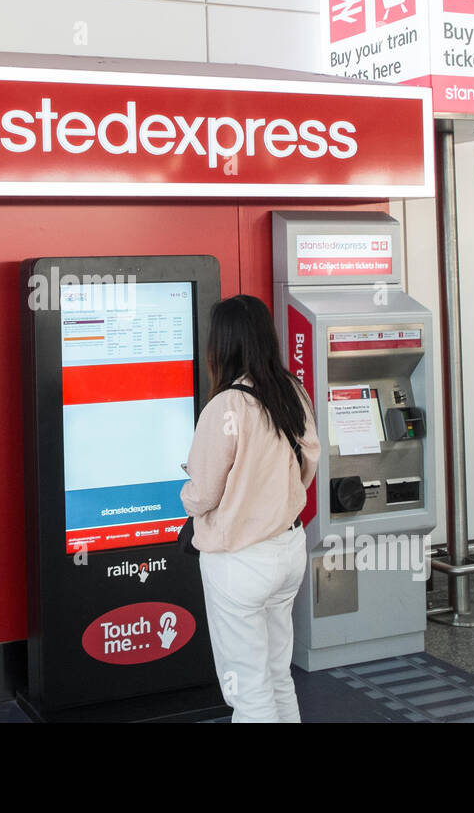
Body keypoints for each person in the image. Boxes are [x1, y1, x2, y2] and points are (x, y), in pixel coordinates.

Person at [179, 294, 320, 723]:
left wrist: (186, 492)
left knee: (247, 687)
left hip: (239, 561)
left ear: (222, 345)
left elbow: (202, 493)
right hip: (288, 550)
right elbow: (307, 464)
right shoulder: (292, 391)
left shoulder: (226, 405)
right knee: (278, 674)